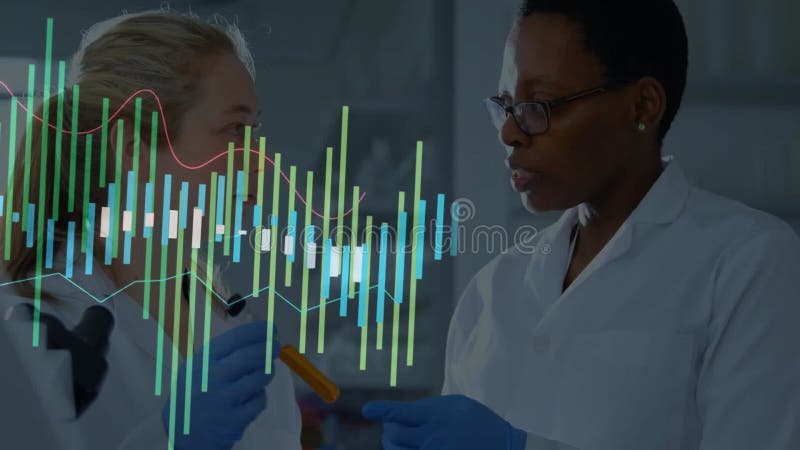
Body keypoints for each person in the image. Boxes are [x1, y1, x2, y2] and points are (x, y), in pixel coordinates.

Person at [362, 1, 800, 449]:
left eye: (541, 105)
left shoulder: (750, 264)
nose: (509, 133)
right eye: (507, 106)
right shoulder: (491, 293)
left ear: (642, 106)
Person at [0, 9, 302, 450]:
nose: (260, 159)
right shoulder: (27, 329)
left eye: (254, 131)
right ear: (131, 150)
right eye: (233, 130)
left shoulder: (243, 347)